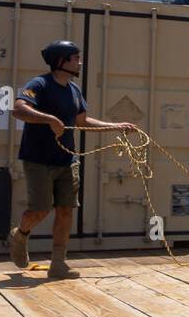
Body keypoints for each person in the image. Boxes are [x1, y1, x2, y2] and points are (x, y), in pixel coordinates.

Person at [8, 40, 137, 279]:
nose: (80, 62)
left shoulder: (74, 90)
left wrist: (115, 126)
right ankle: (20, 235)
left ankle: (59, 264)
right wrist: (49, 119)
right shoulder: (40, 84)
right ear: (61, 61)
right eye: (76, 58)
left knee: (66, 211)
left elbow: (82, 122)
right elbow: (18, 109)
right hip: (38, 160)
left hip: (67, 160)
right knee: (40, 210)